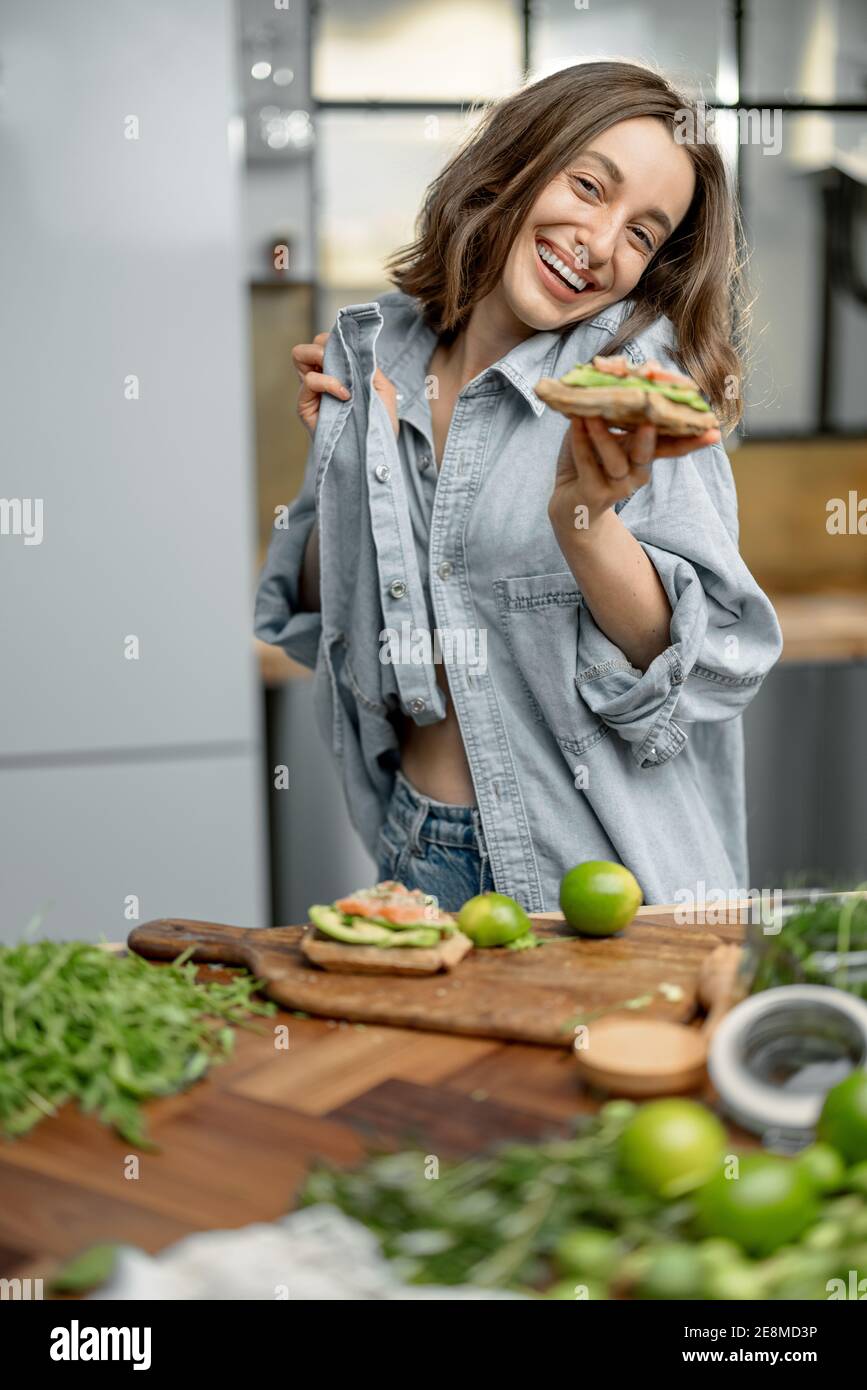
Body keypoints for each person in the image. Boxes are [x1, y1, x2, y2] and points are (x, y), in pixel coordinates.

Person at [255, 61, 783, 914]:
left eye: (642, 235)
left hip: (600, 875)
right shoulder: (378, 351)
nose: (601, 242)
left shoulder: (629, 393)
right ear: (515, 163)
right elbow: (325, 624)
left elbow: (711, 672)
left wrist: (585, 523)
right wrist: (350, 467)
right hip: (414, 844)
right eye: (587, 186)